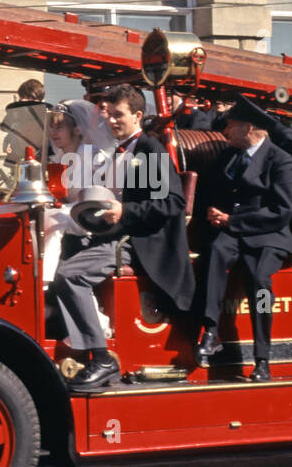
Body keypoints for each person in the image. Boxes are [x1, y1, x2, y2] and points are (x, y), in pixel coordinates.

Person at [49, 84, 194, 392]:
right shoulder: (123, 149)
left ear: (138, 115)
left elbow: (171, 203)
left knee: (69, 275)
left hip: (140, 243)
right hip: (118, 233)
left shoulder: (148, 148)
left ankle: (101, 358)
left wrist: (123, 211)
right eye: (109, 115)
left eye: (118, 115)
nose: (111, 121)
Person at [194, 97, 292, 382]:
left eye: (230, 126)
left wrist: (232, 220)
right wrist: (214, 213)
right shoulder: (229, 157)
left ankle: (262, 357)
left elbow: (282, 210)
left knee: (260, 280)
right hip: (233, 232)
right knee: (214, 253)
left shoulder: (281, 160)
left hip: (268, 236)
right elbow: (210, 191)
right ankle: (211, 330)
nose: (225, 132)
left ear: (248, 128)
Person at [42, 99, 113, 283]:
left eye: (59, 127)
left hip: (92, 214)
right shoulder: (57, 158)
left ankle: (44, 281)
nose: (53, 132)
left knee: (54, 221)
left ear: (77, 129)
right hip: (68, 210)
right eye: (51, 127)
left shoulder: (94, 157)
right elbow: (59, 194)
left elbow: (104, 195)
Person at [1, 79, 47, 168]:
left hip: (39, 157)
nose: (24, 100)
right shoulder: (16, 111)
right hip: (19, 155)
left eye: (29, 97)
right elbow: (5, 128)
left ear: (38, 99)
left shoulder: (45, 114)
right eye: (22, 96)